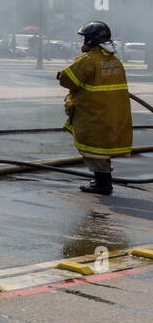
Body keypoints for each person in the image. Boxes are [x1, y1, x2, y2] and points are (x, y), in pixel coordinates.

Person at [57, 20, 132, 195]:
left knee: (93, 147)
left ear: (90, 40)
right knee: (102, 149)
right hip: (111, 112)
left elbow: (67, 80)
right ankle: (103, 181)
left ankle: (103, 184)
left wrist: (61, 75)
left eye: (85, 38)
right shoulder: (114, 60)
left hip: (94, 114)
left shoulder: (89, 60)